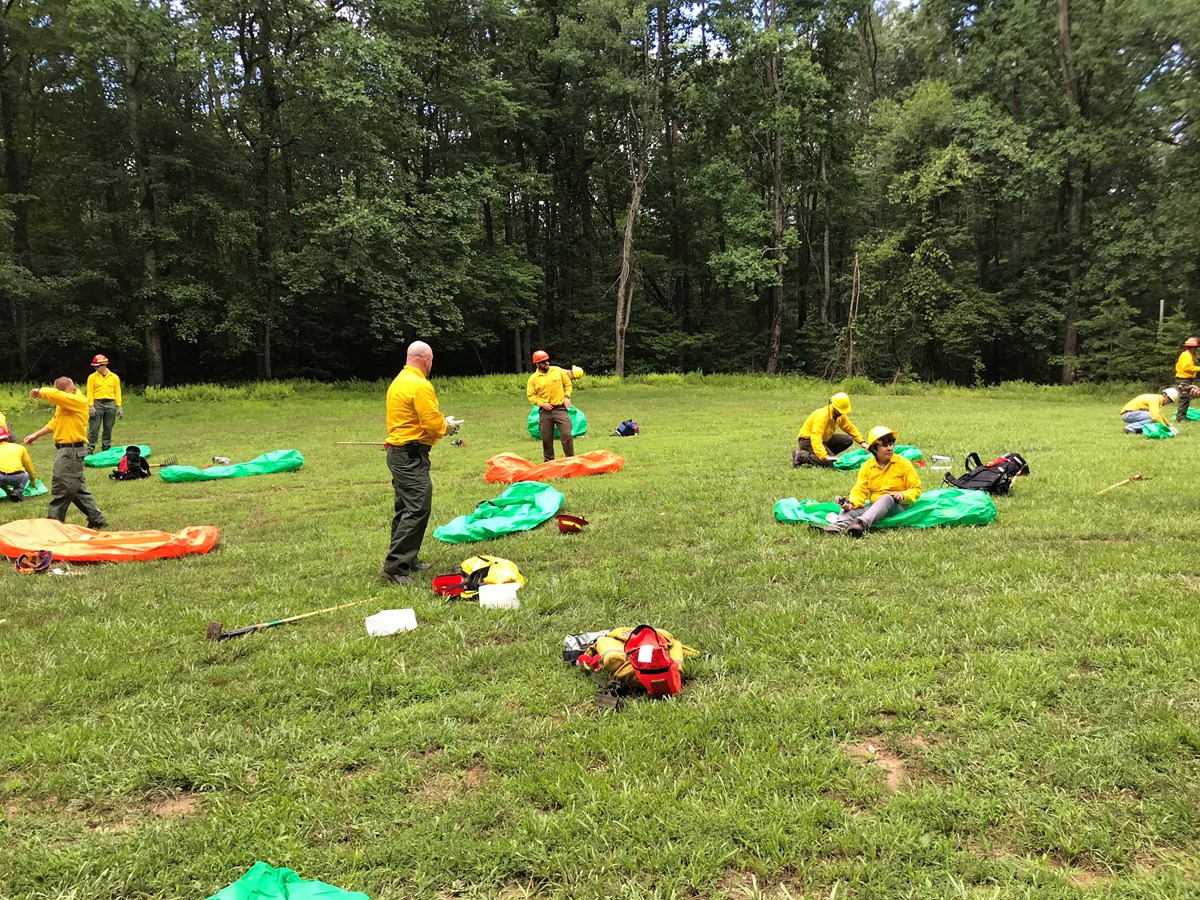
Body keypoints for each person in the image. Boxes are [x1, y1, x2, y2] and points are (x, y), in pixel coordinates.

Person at [382, 341, 458, 585]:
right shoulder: (420, 385)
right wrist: (447, 426)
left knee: (405, 508)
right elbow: (431, 424)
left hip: (399, 452)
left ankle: (407, 559)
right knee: (417, 508)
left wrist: (439, 422)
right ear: (427, 360)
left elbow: (414, 418)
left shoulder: (399, 381)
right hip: (410, 455)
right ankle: (395, 567)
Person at [24, 377, 107, 528]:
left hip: (71, 450)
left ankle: (54, 525)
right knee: (75, 488)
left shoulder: (78, 400)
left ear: (71, 390)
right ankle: (97, 519)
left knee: (62, 487)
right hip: (65, 450)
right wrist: (36, 435)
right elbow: (55, 423)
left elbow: (59, 396)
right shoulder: (64, 403)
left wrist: (41, 391)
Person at [815, 426, 922, 537]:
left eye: (891, 444)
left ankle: (860, 525)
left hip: (898, 506)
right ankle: (836, 528)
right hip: (875, 506)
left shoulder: (903, 463)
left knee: (886, 498)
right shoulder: (867, 466)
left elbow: (916, 489)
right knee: (848, 511)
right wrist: (851, 504)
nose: (890, 448)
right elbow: (860, 489)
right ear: (874, 448)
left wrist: (902, 495)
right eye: (885, 445)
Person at [793, 392, 867, 467]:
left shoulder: (840, 414)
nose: (841, 413)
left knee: (847, 440)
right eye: (839, 410)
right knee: (832, 463)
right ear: (833, 406)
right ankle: (802, 456)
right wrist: (824, 456)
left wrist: (862, 442)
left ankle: (825, 456)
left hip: (824, 440)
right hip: (808, 441)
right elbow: (815, 438)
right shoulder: (822, 416)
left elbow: (849, 427)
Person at [526, 349, 574, 461]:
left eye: (547, 360)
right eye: (543, 362)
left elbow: (568, 384)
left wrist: (567, 397)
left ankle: (571, 460)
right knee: (546, 439)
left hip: (560, 409)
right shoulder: (533, 379)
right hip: (545, 412)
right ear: (537, 364)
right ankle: (548, 462)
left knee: (566, 434)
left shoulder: (557, 371)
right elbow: (531, 396)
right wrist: (542, 404)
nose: (547, 363)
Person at [86, 353, 123, 454]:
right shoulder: (92, 377)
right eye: (95, 367)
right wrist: (91, 406)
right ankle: (89, 449)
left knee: (108, 427)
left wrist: (119, 406)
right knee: (94, 427)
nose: (96, 368)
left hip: (111, 404)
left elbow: (117, 392)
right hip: (97, 403)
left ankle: (106, 448)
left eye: (97, 366)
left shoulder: (114, 377)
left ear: (104, 365)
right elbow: (90, 392)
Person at [0, 427, 35, 502]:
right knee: (25, 474)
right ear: (7, 437)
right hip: (17, 477)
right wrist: (33, 480)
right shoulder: (20, 447)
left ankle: (8, 491)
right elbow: (28, 466)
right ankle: (17, 491)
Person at [1175, 337, 1200, 423]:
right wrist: (1198, 368)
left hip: (1185, 379)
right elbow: (1187, 367)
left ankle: (1181, 417)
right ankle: (1181, 418)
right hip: (1183, 379)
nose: (1197, 350)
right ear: (1193, 347)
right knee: (1184, 398)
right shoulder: (1186, 355)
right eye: (1196, 348)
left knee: (1185, 398)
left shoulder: (1188, 354)